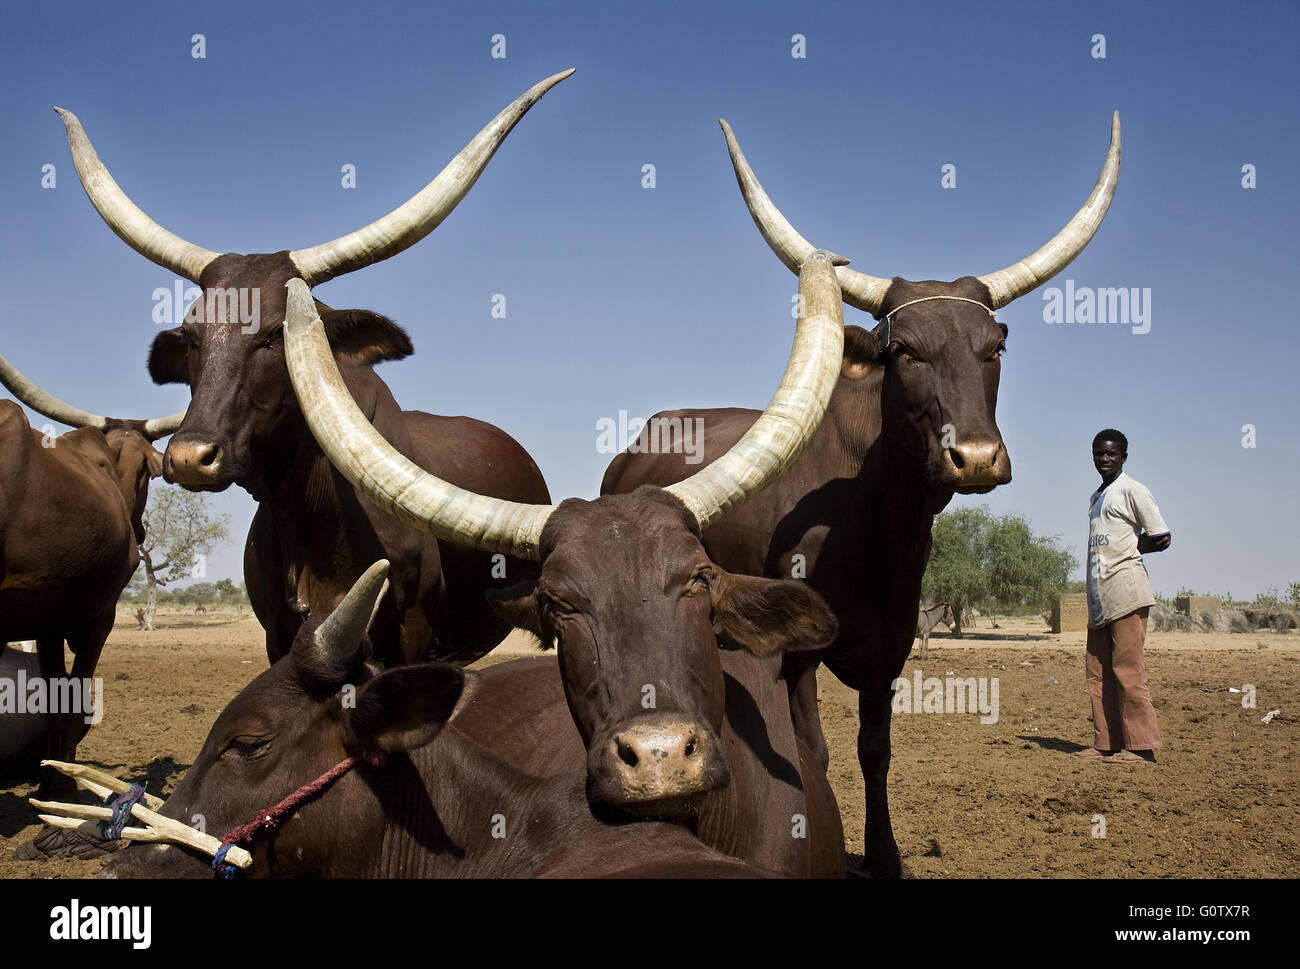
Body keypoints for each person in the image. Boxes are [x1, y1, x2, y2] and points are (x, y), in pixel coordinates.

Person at [1075, 429, 1171, 765]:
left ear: (1123, 457)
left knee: (1127, 670)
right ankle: (1106, 742)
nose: (1104, 459)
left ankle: (1141, 747)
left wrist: (1132, 550)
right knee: (1097, 671)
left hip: (1127, 590)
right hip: (1100, 595)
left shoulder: (1132, 490)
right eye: (1098, 453)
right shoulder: (1096, 496)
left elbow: (1161, 535)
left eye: (1111, 454)